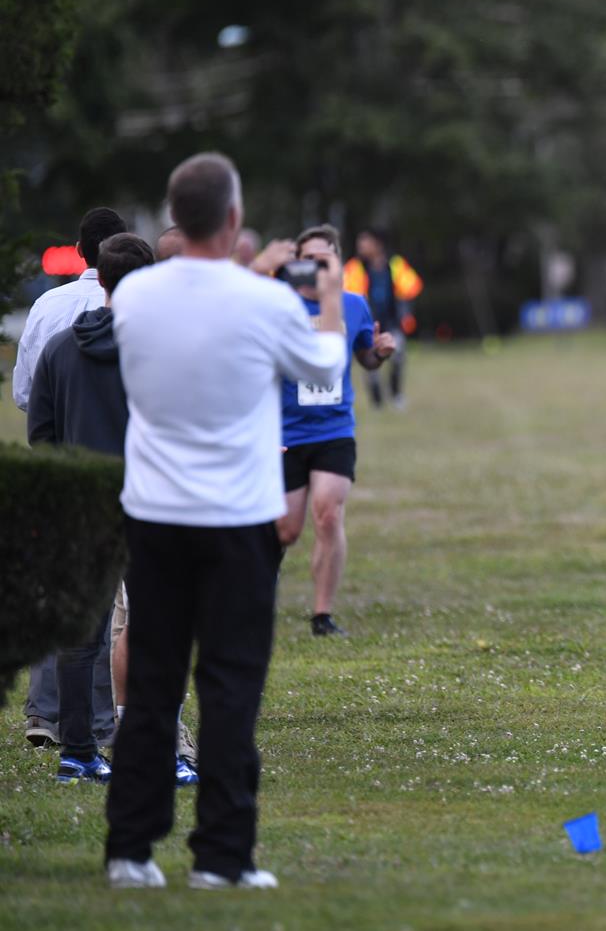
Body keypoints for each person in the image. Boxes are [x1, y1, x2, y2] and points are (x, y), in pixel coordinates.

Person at [105, 152, 345, 890]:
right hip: (237, 517)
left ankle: (130, 850)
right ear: (235, 220)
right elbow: (322, 372)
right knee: (230, 686)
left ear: (174, 217)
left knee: (152, 685)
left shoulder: (135, 296)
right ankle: (221, 855)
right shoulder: (265, 302)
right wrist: (326, 294)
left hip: (153, 515)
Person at [27, 233, 155, 784]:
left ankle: (77, 750)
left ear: (97, 277)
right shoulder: (157, 350)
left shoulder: (58, 350)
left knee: (84, 634)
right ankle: (150, 742)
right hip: (150, 502)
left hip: (84, 504)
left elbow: (42, 434)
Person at [12, 206, 127, 750]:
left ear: (81, 253)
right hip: (126, 471)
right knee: (117, 605)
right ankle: (100, 720)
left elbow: (25, 394)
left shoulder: (48, 307)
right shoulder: (138, 323)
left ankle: (44, 712)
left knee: (60, 590)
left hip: (63, 459)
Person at [277, 225, 396, 637]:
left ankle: (322, 615)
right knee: (286, 530)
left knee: (328, 514)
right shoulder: (278, 305)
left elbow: (365, 357)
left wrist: (378, 353)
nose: (316, 267)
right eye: (307, 259)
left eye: (324, 259)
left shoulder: (354, 305)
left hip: (334, 427)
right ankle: (255, 598)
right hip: (285, 430)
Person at [343, 229, 421, 409]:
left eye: (365, 241)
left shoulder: (395, 264)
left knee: (398, 356)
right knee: (370, 364)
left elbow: (411, 287)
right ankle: (377, 401)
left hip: (393, 322)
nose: (361, 246)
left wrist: (406, 313)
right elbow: (347, 292)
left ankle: (396, 394)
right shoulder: (355, 267)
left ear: (378, 244)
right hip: (368, 324)